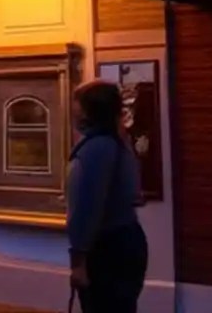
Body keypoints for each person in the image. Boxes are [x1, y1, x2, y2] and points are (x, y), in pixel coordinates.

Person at [67, 79, 148, 313]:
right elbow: (134, 194)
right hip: (128, 241)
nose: (74, 112)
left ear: (89, 111)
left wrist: (78, 262)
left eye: (77, 106)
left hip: (105, 249)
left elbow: (86, 209)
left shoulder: (94, 150)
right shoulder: (120, 143)